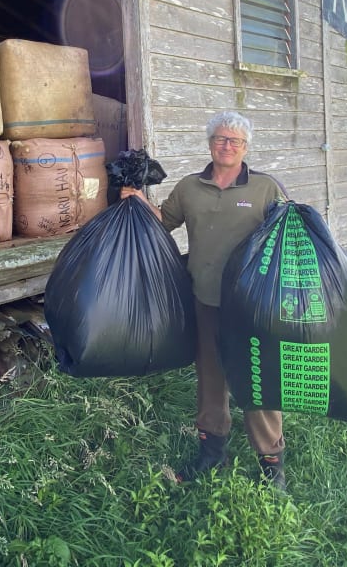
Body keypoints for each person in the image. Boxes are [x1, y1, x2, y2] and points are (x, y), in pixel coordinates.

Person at [120, 110, 287, 490]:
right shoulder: (190, 187)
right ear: (210, 143)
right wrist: (138, 200)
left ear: (246, 147)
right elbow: (163, 222)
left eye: (235, 141)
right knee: (210, 380)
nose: (227, 146)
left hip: (250, 307)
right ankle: (212, 454)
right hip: (205, 300)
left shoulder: (265, 189)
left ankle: (271, 463)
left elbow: (284, 238)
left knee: (256, 381)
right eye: (220, 139)